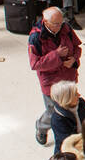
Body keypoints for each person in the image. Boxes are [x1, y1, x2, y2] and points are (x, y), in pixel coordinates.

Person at [30, 8, 81, 146]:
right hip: (51, 83)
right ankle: (41, 126)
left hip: (68, 77)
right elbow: (35, 64)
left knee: (71, 106)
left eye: (61, 22)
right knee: (53, 111)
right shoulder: (36, 37)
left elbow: (77, 47)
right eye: (56, 23)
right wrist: (56, 55)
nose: (60, 26)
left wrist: (74, 60)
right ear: (46, 22)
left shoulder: (66, 28)